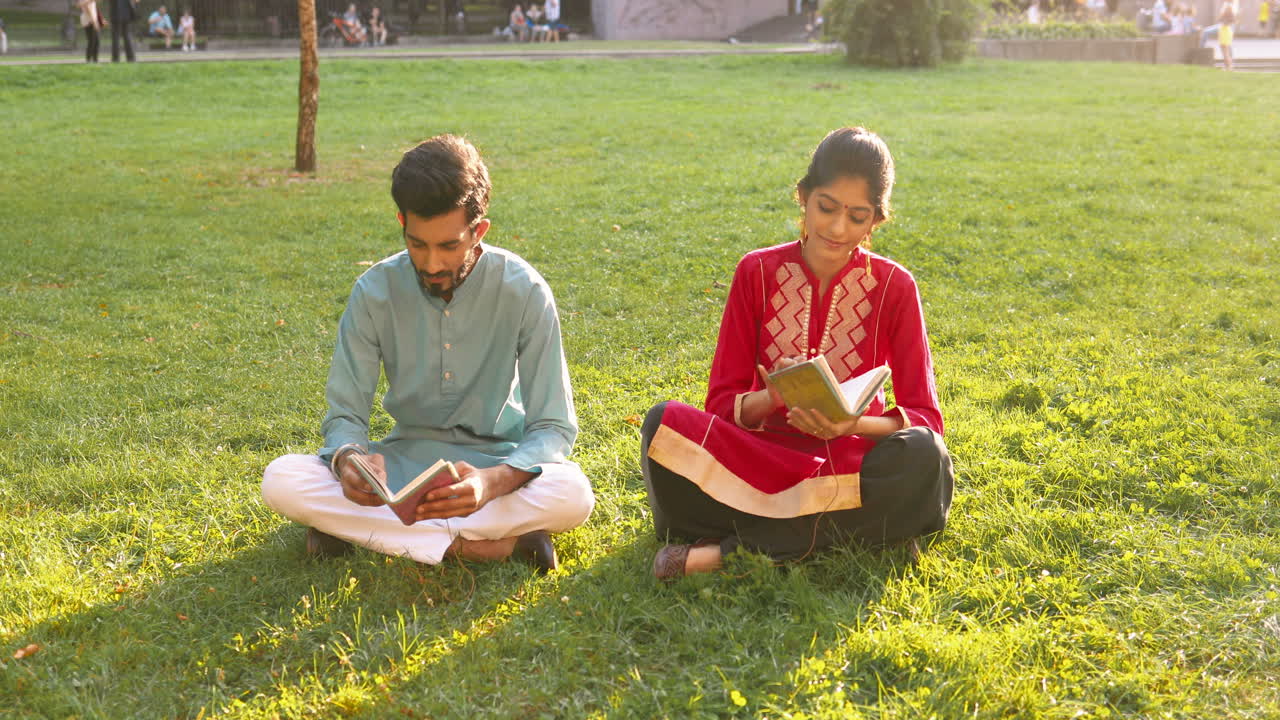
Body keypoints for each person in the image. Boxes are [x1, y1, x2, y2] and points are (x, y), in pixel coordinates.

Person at [261, 135, 594, 571]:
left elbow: (552, 426)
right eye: (417, 244)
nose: (432, 263)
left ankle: (363, 534)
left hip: (496, 470)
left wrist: (492, 483)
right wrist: (349, 461)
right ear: (402, 222)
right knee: (282, 478)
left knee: (573, 494)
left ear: (479, 231)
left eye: (449, 246)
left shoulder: (524, 290)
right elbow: (345, 417)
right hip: (402, 469)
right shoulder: (374, 292)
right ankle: (494, 545)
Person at [640, 127, 954, 581]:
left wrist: (851, 425)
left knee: (925, 455)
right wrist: (772, 397)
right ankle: (860, 529)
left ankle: (729, 553)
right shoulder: (756, 271)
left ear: (876, 221)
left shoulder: (896, 286)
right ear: (803, 197)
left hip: (849, 462)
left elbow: (925, 417)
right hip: (760, 457)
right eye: (826, 207)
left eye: (857, 216)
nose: (838, 228)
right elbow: (721, 404)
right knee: (663, 425)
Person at [1217, 0, 1237, 69]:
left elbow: (1220, 19)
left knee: (1225, 51)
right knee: (1226, 50)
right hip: (1226, 30)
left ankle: (1228, 66)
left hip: (1224, 30)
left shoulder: (1227, 7)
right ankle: (1228, 66)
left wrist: (1221, 17)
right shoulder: (1231, 7)